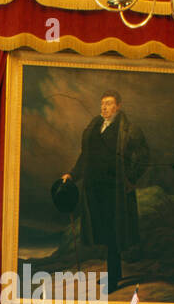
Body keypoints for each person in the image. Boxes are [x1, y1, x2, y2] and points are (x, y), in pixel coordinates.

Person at [60, 90, 149, 292]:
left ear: (118, 106)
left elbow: (144, 156)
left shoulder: (129, 130)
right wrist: (72, 175)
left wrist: (130, 179)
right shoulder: (94, 128)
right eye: (102, 104)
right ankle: (113, 274)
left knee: (113, 235)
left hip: (116, 192)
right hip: (95, 191)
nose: (104, 108)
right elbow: (86, 157)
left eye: (109, 104)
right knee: (104, 234)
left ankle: (114, 278)